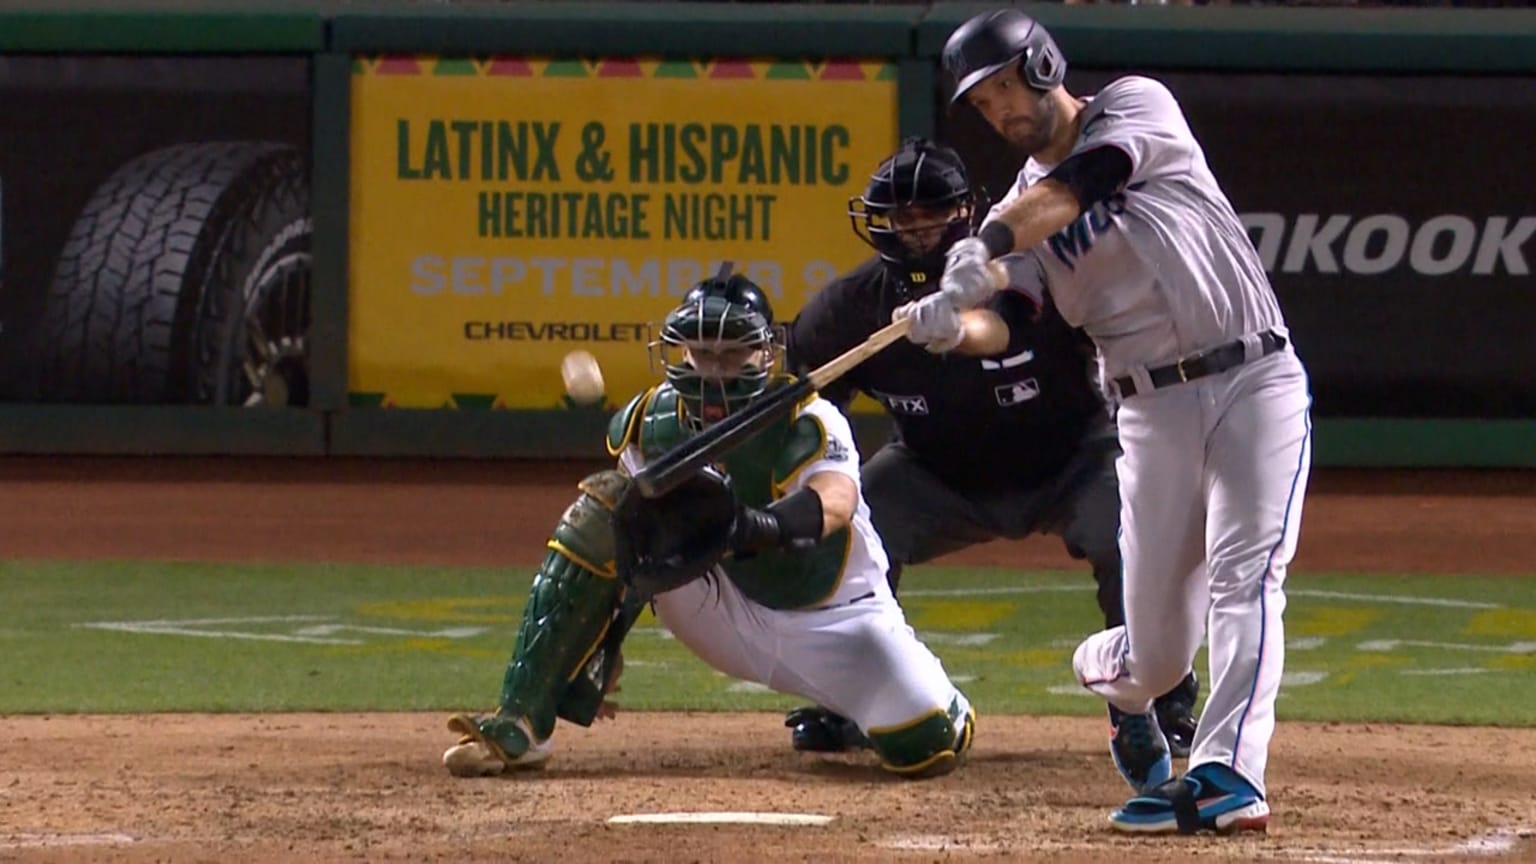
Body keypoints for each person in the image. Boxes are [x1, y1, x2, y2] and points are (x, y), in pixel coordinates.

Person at [918, 9, 1313, 835]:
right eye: (982, 106)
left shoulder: (1135, 106)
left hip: (1254, 377)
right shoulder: (1015, 211)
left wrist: (982, 243)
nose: (998, 113)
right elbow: (1012, 322)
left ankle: (1227, 772)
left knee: (1249, 575)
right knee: (1156, 656)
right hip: (1149, 413)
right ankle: (1117, 686)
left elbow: (1078, 187)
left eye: (1000, 90)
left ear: (1041, 64)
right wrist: (958, 329)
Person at [441, 268, 976, 781]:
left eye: (731, 354)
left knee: (925, 748)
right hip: (718, 605)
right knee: (605, 504)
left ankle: (902, 707)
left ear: (764, 355)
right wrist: (604, 644)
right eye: (701, 353)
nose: (712, 370)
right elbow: (637, 539)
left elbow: (833, 504)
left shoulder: (808, 419)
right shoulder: (651, 423)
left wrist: (750, 526)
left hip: (835, 620)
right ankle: (521, 722)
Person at [781, 137, 1199, 762]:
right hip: (936, 474)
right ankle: (855, 698)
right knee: (848, 531)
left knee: (1132, 533)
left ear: (968, 215)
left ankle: (1164, 701)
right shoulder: (850, 310)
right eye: (900, 216)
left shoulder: (1040, 274)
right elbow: (801, 404)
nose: (915, 230)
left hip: (1075, 458)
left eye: (932, 214)